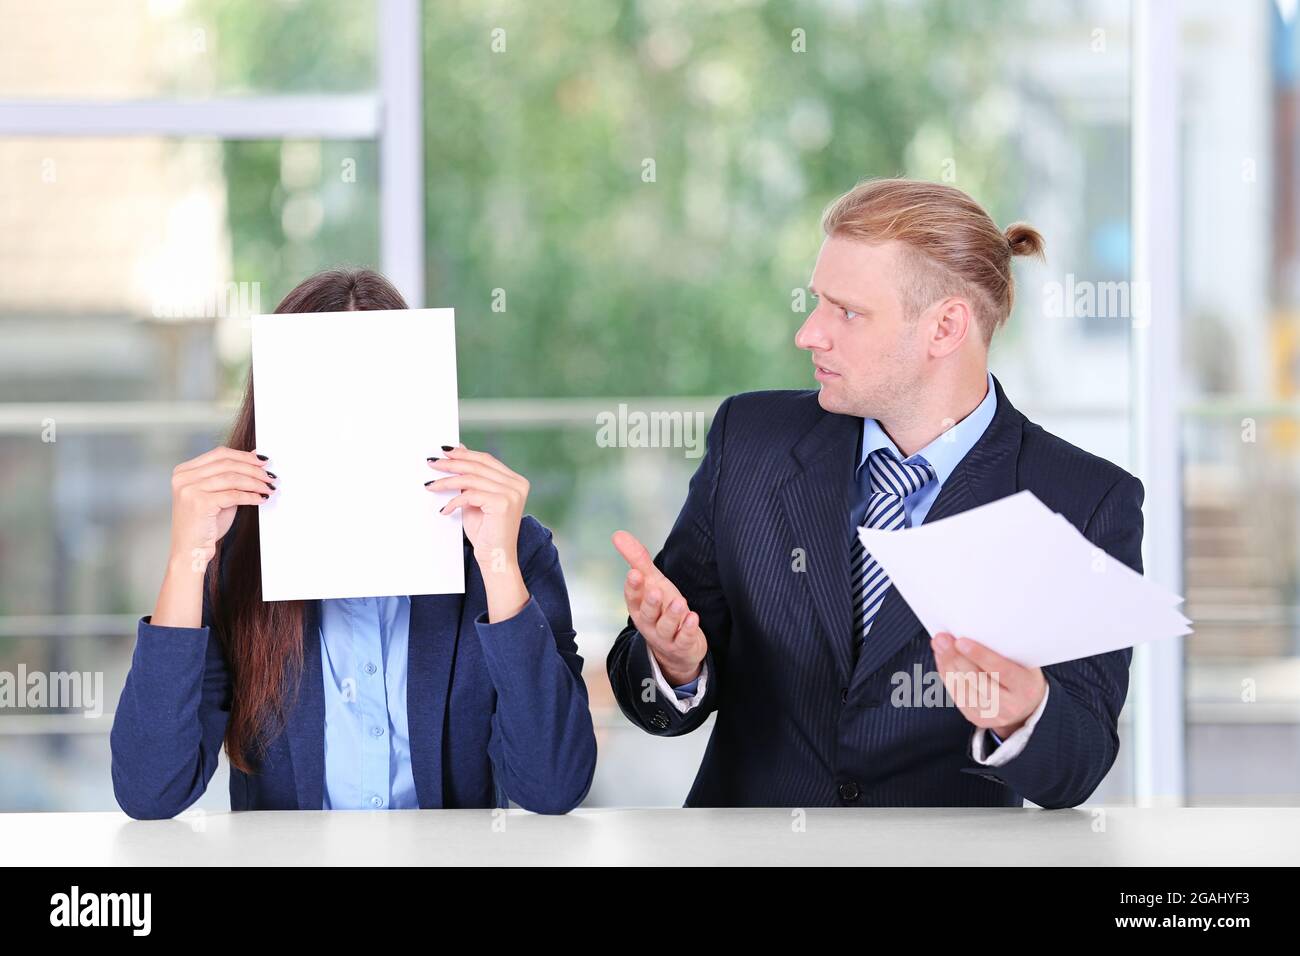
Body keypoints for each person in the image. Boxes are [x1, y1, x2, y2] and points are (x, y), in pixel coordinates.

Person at [607, 179, 1142, 809]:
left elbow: (1076, 770)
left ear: (945, 327)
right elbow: (657, 694)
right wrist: (674, 665)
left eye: (847, 312)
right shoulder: (749, 444)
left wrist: (1026, 713)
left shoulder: (1083, 500)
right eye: (817, 303)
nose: (809, 334)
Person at [111, 268, 596, 818]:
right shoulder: (231, 560)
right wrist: (186, 559)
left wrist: (498, 565)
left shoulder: (507, 550)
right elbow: (150, 791)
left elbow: (554, 785)